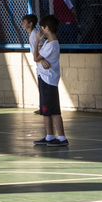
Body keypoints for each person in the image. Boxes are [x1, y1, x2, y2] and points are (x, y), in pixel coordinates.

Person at [33, 15, 67, 148]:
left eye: (42, 28)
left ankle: (62, 137)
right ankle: (50, 136)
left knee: (53, 110)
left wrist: (36, 41)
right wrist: (41, 60)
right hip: (44, 78)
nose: (41, 31)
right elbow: (40, 58)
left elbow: (35, 57)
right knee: (45, 109)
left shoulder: (52, 44)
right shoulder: (49, 43)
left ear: (47, 28)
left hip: (48, 80)